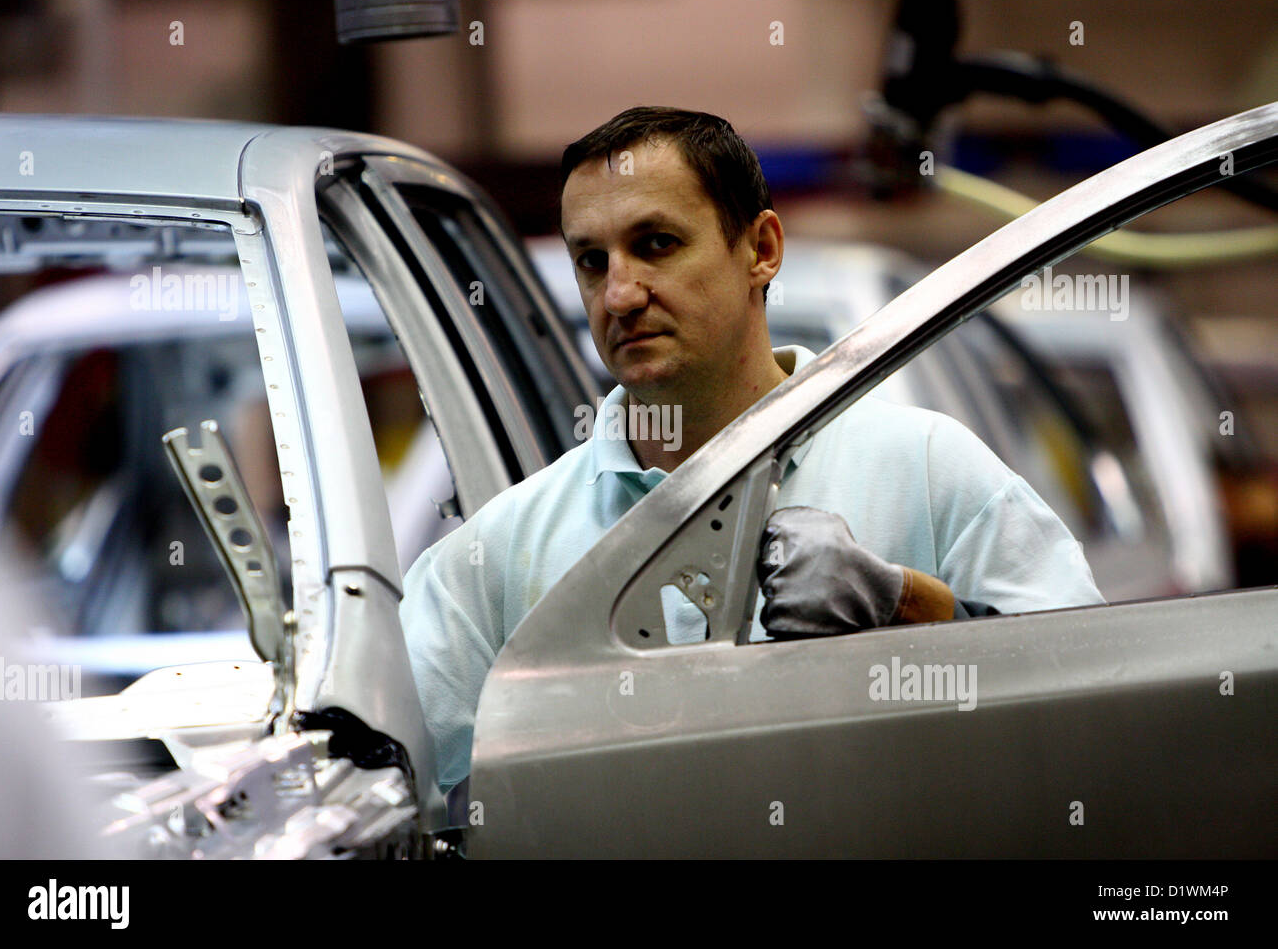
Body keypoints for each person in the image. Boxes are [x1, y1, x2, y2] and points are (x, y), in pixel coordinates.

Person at [400, 106, 1104, 792]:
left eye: (655, 244)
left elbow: (1092, 708)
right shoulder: (496, 555)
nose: (618, 295)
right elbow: (394, 790)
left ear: (761, 250)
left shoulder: (927, 471)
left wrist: (907, 606)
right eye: (591, 260)